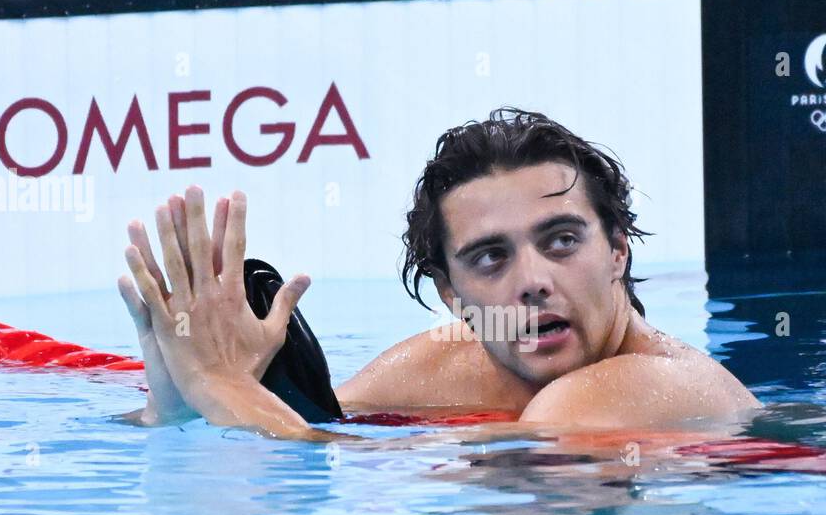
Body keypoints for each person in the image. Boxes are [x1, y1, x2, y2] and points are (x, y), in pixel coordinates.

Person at [117, 108, 759, 440]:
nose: (532, 280)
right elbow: (330, 436)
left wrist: (221, 384)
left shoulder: (635, 385)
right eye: (491, 257)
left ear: (617, 249)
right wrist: (178, 401)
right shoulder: (445, 368)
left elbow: (324, 477)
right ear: (452, 296)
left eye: (561, 240)